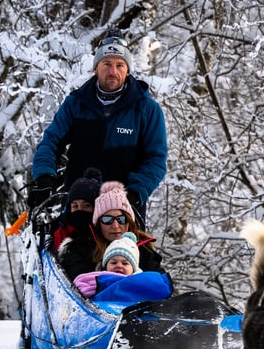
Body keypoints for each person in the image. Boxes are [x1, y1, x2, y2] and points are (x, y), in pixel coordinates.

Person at [28, 31, 168, 228]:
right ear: (96, 68)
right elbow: (50, 143)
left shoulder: (146, 109)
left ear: (128, 70)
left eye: (120, 65)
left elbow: (156, 160)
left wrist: (136, 193)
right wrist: (44, 177)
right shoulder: (76, 104)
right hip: (79, 207)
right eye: (106, 64)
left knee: (122, 250)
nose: (113, 71)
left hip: (122, 212)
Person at [58, 181, 163, 280]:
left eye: (121, 219)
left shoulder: (144, 251)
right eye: (107, 220)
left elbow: (162, 283)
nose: (115, 226)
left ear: (129, 222)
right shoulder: (81, 250)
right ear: (98, 224)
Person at [49, 168, 101, 252]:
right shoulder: (62, 233)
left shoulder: (106, 231)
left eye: (86, 205)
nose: (80, 210)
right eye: (75, 206)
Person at [73, 232, 140, 297]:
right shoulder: (97, 279)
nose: (119, 266)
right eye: (113, 263)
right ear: (106, 266)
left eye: (124, 263)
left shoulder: (138, 284)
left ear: (133, 269)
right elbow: (81, 285)